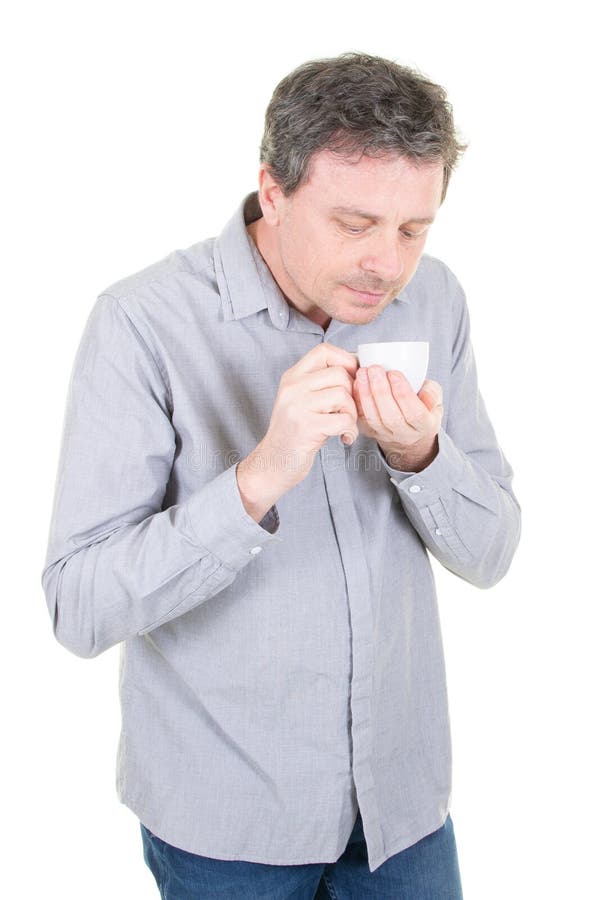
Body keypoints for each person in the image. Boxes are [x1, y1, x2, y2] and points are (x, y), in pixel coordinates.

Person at [41, 51, 521, 899]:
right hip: (226, 825)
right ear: (273, 190)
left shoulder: (436, 299)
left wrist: (420, 458)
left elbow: (491, 552)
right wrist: (257, 478)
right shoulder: (142, 325)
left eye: (414, 229)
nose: (387, 264)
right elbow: (79, 606)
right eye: (355, 223)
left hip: (401, 816)